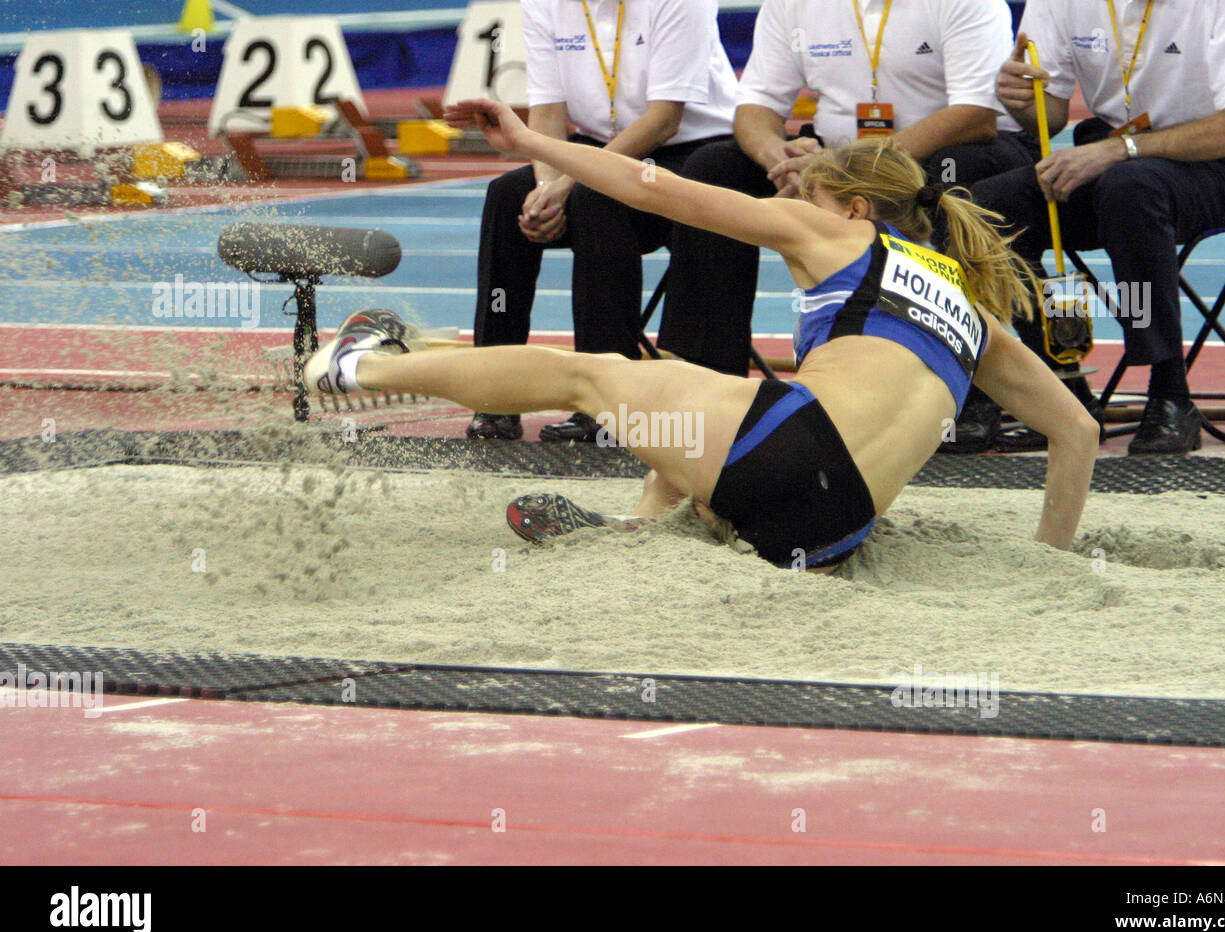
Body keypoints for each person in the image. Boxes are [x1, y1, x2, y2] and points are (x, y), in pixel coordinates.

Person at [306, 98, 1098, 570]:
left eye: (810, 196)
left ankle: (361, 371)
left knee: (596, 374)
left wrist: (535, 147)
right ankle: (642, 531)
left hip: (784, 457)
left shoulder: (837, 238)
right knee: (700, 401)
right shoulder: (974, 311)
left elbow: (658, 188)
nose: (798, 208)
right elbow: (1079, 431)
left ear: (855, 209)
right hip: (828, 535)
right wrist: (1050, 560)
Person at [656, 0, 1039, 380]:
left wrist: (842, 168)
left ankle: (969, 382)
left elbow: (974, 114)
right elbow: (756, 105)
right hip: (835, 157)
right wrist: (783, 160)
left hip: (943, 151)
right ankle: (710, 372)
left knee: (954, 172)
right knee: (714, 167)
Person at [966, 0, 1225, 454]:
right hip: (1109, 165)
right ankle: (1060, 383)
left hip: (1213, 167)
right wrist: (1021, 100)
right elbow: (1049, 118)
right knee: (987, 208)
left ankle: (1170, 393)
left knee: (1131, 186)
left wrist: (1122, 150)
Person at [467, 0, 736, 442]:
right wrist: (544, 191)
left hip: (691, 154)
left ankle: (608, 401)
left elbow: (663, 119)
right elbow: (548, 113)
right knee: (507, 197)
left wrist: (568, 183)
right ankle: (497, 392)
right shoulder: (544, 6)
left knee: (598, 197)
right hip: (595, 152)